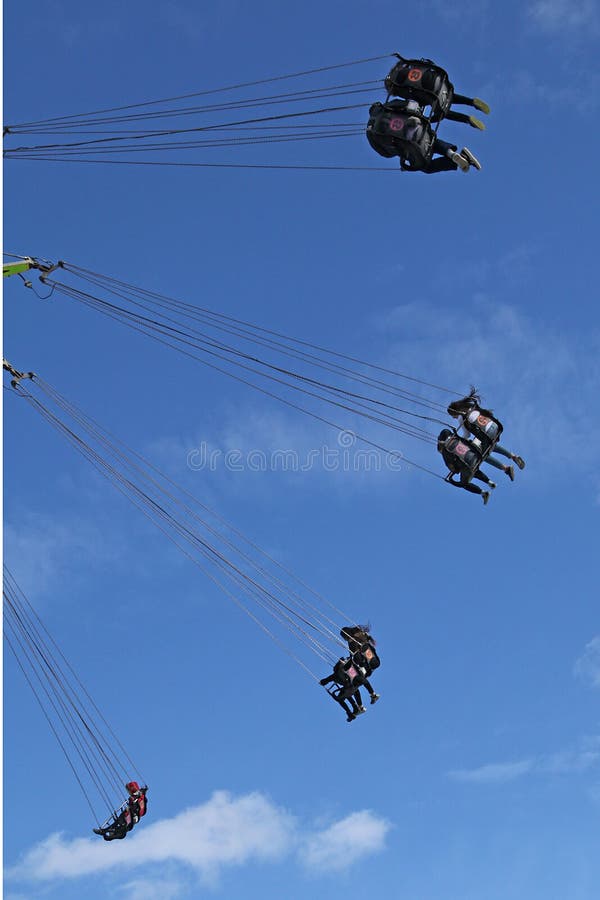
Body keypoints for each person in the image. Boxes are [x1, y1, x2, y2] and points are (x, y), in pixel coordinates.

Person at [366, 100, 481, 173]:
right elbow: (409, 105)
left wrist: (400, 155)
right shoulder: (386, 107)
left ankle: (456, 161)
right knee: (432, 142)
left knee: (426, 166)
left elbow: (385, 153)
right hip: (417, 127)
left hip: (407, 143)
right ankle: (452, 153)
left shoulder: (370, 134)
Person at [384, 55, 490, 128]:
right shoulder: (405, 65)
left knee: (442, 113)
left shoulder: (399, 89)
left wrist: (425, 118)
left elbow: (416, 98)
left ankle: (467, 119)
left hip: (430, 95)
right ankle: (472, 102)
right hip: (437, 79)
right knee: (449, 95)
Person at [447, 389, 525, 472]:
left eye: (452, 416)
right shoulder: (472, 407)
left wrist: (462, 441)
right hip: (495, 426)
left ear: (455, 412)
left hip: (488, 434)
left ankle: (505, 468)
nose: (454, 418)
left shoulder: (461, 418)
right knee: (489, 444)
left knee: (481, 454)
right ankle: (513, 456)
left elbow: (467, 435)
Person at [437, 428, 496, 504]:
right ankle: (490, 482)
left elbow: (453, 469)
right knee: (474, 470)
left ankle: (483, 493)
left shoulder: (445, 451)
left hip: (467, 465)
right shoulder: (457, 437)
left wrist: (452, 479)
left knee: (464, 483)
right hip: (475, 456)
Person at [340, 625, 380, 704]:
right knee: (357, 676)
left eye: (343, 637)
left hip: (368, 665)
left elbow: (356, 658)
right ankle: (372, 695)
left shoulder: (351, 642)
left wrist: (347, 662)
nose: (344, 639)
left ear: (345, 635)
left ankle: (362, 701)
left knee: (353, 675)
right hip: (375, 661)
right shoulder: (360, 635)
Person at [320, 657, 368, 722]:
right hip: (352, 687)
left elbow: (326, 680)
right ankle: (355, 707)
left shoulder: (336, 674)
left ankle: (350, 711)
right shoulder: (346, 669)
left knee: (340, 698)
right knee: (345, 693)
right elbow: (326, 680)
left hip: (350, 687)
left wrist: (322, 682)